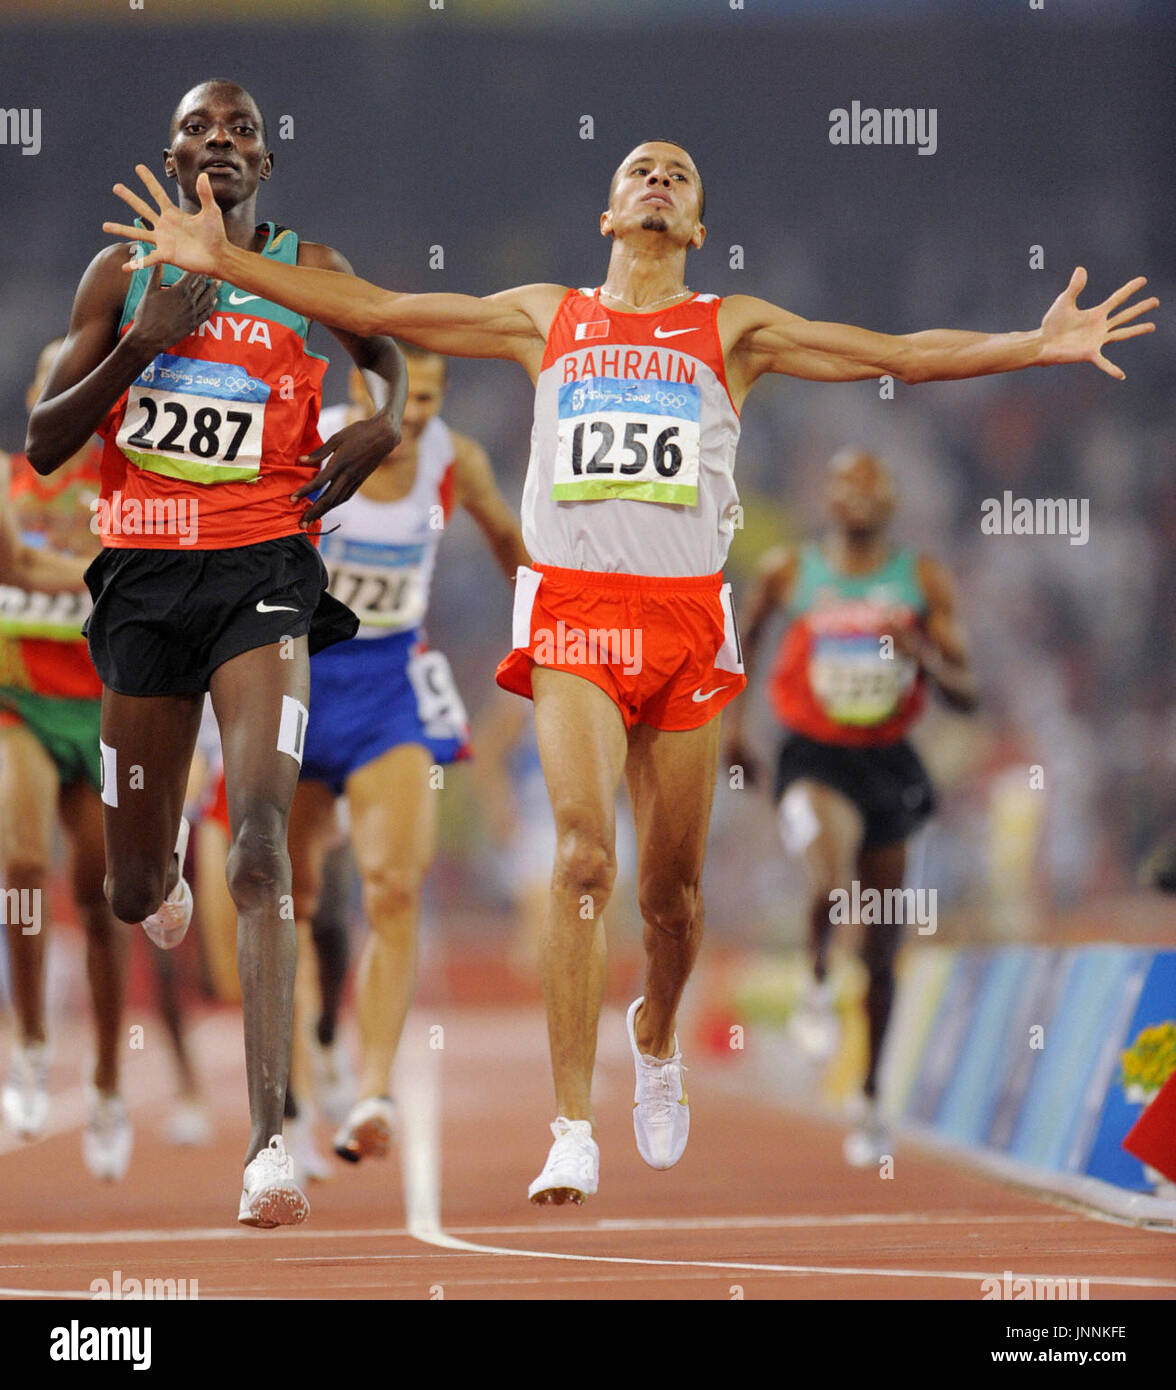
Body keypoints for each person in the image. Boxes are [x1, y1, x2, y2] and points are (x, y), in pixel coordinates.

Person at [104, 139, 1156, 1204]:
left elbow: (893, 352)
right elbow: (378, 303)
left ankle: (657, 1032)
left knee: (673, 896)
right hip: (572, 615)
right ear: (609, 213)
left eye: (681, 175)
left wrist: (1034, 343)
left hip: (687, 622)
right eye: (640, 170)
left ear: (695, 226)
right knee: (581, 858)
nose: (658, 178)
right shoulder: (542, 316)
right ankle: (571, 1126)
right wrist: (225, 262)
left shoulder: (732, 329)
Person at [31, 80, 407, 1226]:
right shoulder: (122, 276)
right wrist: (139, 349)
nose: (221, 143)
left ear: (265, 165)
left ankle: (265, 1147)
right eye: (201, 128)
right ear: (174, 153)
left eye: (242, 130)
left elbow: (385, 347)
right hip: (143, 584)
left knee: (256, 851)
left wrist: (382, 416)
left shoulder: (304, 265)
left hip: (264, 578)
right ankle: (161, 896)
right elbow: (47, 442)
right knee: (131, 883)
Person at [287, 351, 528, 1166]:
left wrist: (550, 630)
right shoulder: (308, 441)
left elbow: (508, 539)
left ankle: (372, 1089)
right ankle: (292, 1096)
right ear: (359, 390)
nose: (414, 417)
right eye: (399, 399)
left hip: (390, 683)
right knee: (290, 898)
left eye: (428, 400)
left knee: (393, 886)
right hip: (300, 675)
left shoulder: (455, 460)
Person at [724, 449, 977, 1164]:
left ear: (893, 499)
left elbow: (966, 693)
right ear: (825, 498)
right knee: (828, 881)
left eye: (872, 482)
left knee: (882, 946)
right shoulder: (789, 571)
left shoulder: (920, 579)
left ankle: (869, 1100)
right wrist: (734, 732)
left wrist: (921, 656)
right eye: (844, 483)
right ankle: (812, 980)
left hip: (888, 761)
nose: (858, 495)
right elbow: (739, 644)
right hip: (813, 755)